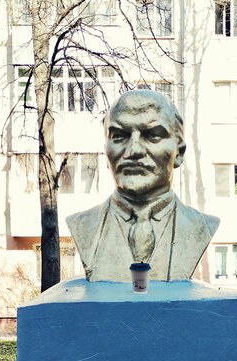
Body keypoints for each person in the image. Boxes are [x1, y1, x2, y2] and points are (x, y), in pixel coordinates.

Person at [66, 89, 220, 282]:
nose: (134, 150)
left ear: (179, 153)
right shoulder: (82, 225)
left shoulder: (201, 226)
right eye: (119, 136)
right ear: (105, 150)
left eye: (153, 136)